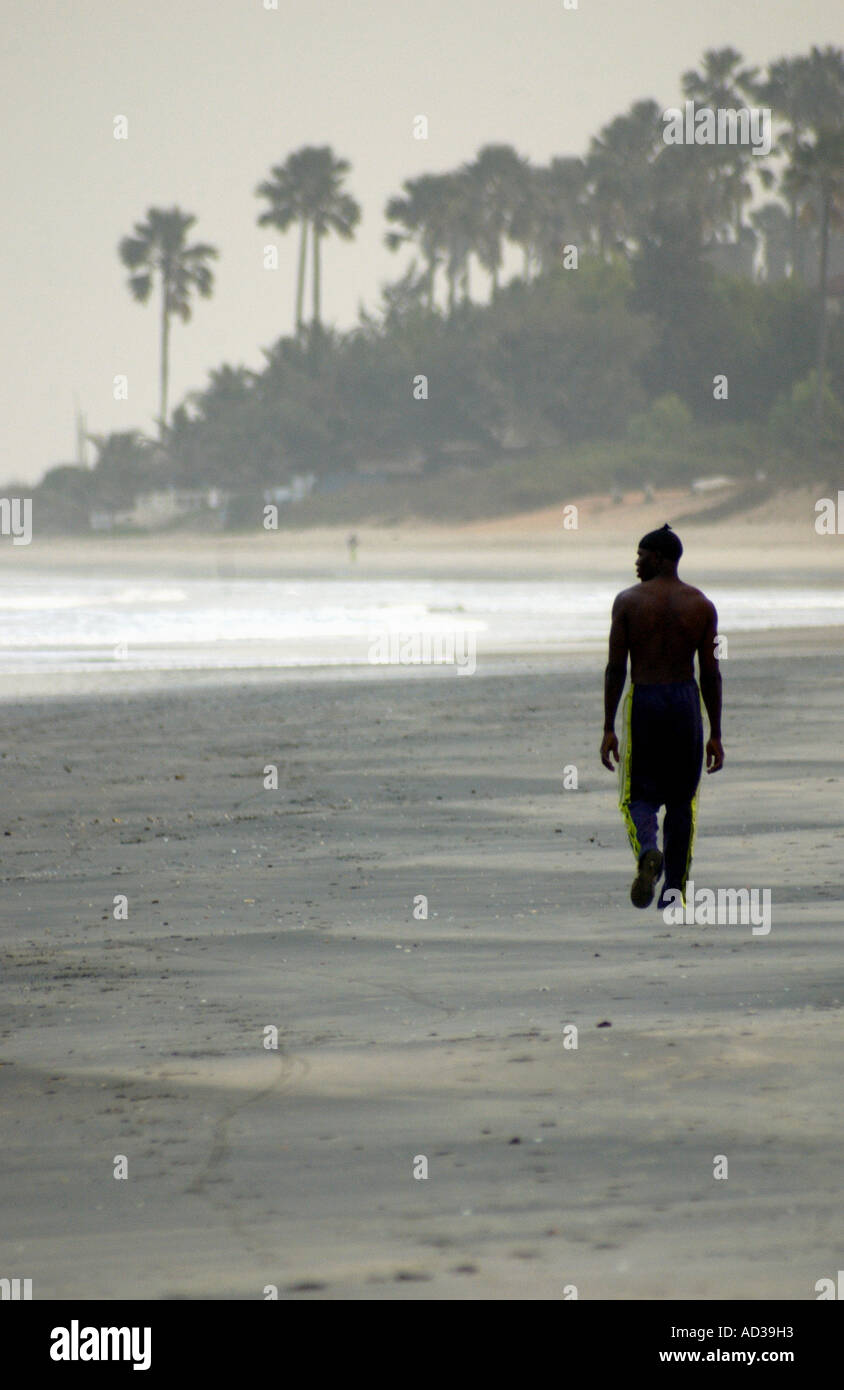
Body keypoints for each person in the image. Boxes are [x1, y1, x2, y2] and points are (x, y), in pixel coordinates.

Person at [600, 524, 724, 910]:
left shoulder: (628, 602)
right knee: (682, 801)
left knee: (637, 797)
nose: (636, 562)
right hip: (686, 704)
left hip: (646, 702)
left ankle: (648, 851)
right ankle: (673, 889)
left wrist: (607, 727)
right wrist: (716, 733)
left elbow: (615, 669)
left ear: (658, 558)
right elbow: (711, 673)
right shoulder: (702, 605)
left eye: (641, 555)